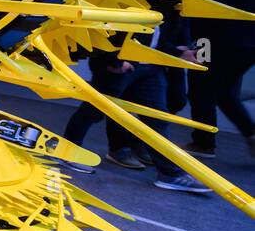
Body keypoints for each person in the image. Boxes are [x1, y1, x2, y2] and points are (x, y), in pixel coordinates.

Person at [62, 45, 211, 193]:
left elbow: (164, 32)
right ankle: (66, 152)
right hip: (121, 62)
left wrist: (177, 51)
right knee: (93, 111)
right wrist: (113, 60)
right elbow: (107, 31)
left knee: (157, 118)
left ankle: (170, 173)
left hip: (151, 66)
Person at [182, 0, 255, 158]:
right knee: (224, 93)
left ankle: (203, 143)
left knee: (201, 92)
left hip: (214, 50)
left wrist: (198, 54)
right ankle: (251, 133)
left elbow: (202, 28)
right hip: (247, 52)